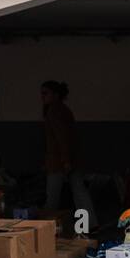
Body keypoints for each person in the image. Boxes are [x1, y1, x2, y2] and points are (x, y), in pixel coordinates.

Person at [41, 81, 94, 217]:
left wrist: (65, 161)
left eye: (45, 93)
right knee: (80, 193)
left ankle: (46, 229)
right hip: (69, 159)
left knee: (52, 197)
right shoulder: (63, 110)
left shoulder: (54, 111)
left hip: (59, 161)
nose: (42, 97)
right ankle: (90, 224)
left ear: (56, 95)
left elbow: (61, 138)